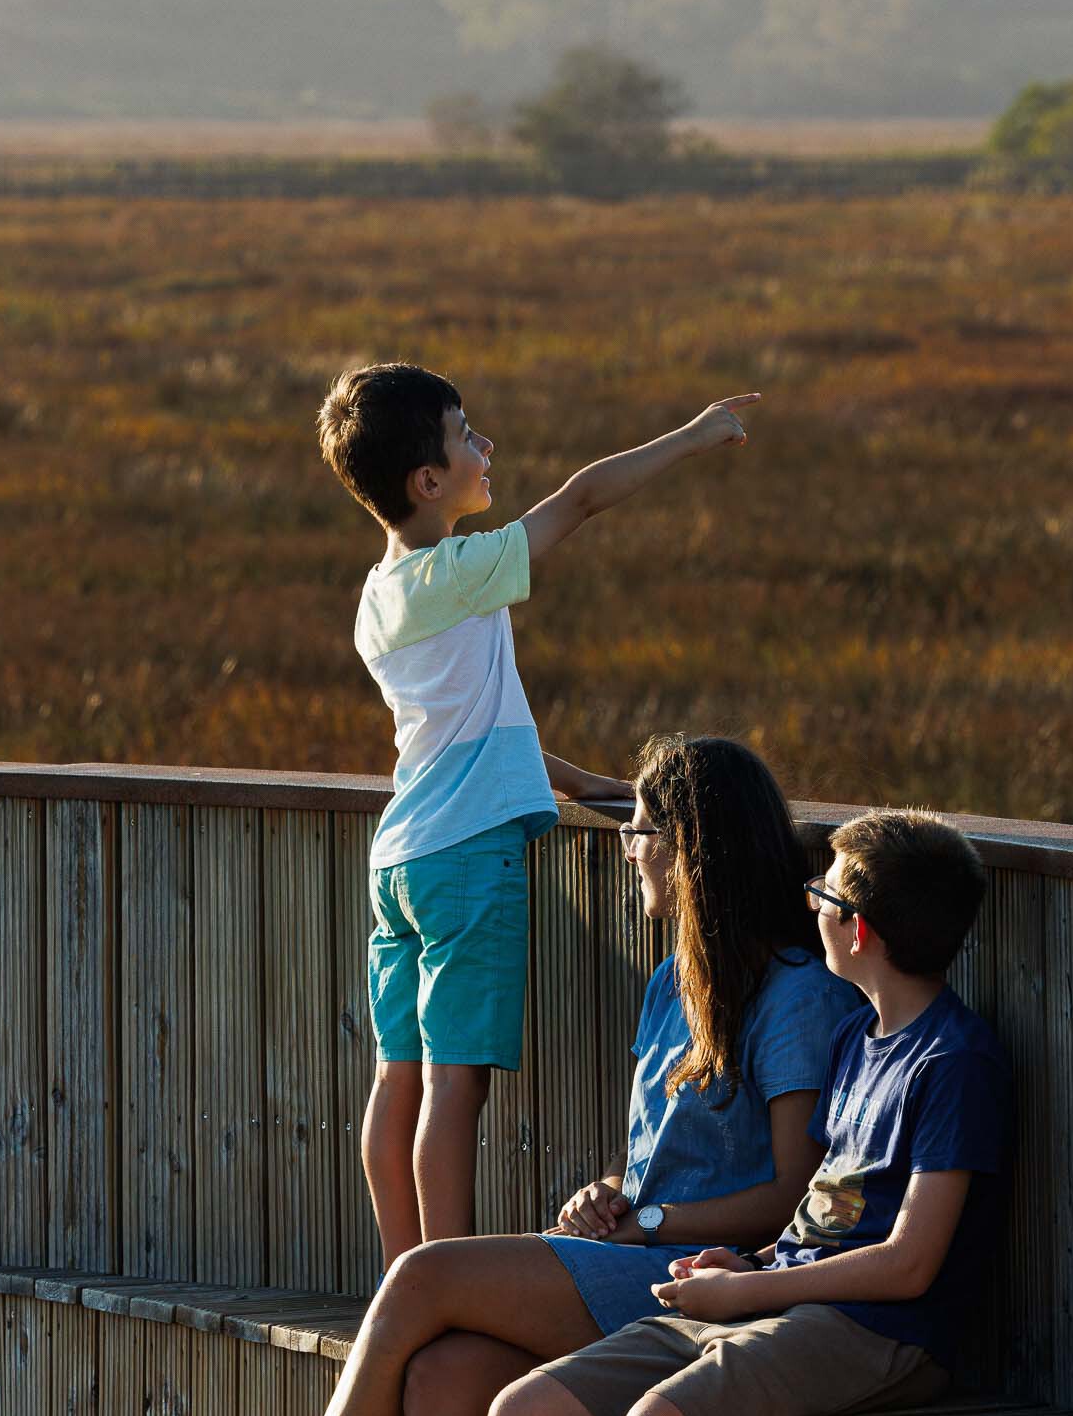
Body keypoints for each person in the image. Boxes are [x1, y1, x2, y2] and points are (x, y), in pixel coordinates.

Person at [152, 735, 854, 1416]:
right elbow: (677, 1165)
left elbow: (786, 1193)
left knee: (423, 1275)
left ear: (692, 850)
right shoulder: (674, 981)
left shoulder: (796, 990)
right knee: (442, 1373)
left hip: (716, 1285)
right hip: (646, 1260)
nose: (626, 848)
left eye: (643, 829)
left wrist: (654, 1227)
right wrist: (616, 1198)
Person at [457, 807, 1012, 1416]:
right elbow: (824, 1214)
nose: (810, 904)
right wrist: (744, 1258)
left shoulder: (951, 1063)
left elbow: (905, 1262)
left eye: (825, 893)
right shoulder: (862, 1043)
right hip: (781, 1294)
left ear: (859, 932)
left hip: (879, 1332)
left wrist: (752, 1287)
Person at [318, 360, 759, 1264]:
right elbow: (585, 498)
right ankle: (444, 1282)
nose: (487, 447)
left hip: (401, 859)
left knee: (394, 1081)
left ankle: (404, 1276)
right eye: (465, 435)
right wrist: (697, 431)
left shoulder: (378, 597)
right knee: (455, 1088)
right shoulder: (461, 572)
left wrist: (584, 782)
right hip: (467, 862)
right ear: (428, 482)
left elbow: (469, 730)